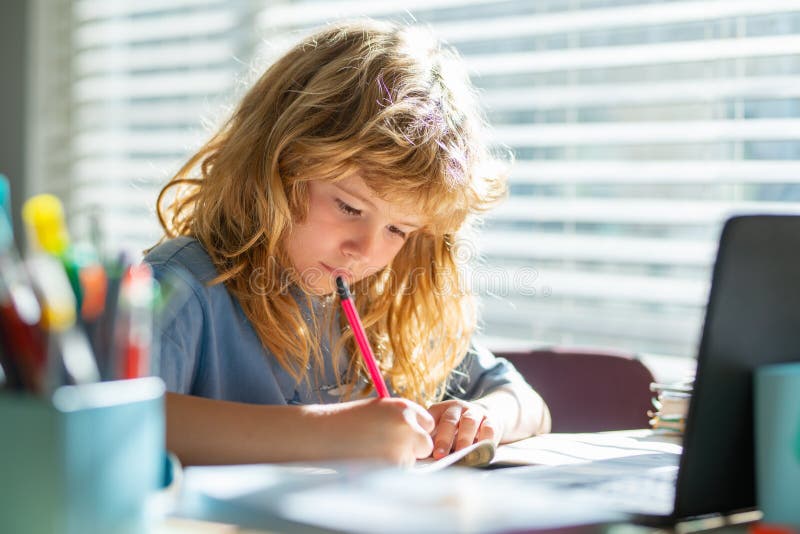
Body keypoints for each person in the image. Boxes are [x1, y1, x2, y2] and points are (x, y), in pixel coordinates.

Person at [145, 19, 551, 467]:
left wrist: (480, 416)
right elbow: (115, 420)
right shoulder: (181, 285)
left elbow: (527, 404)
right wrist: (329, 431)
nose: (365, 250)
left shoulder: (388, 305)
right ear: (274, 166)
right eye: (349, 208)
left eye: (398, 230)